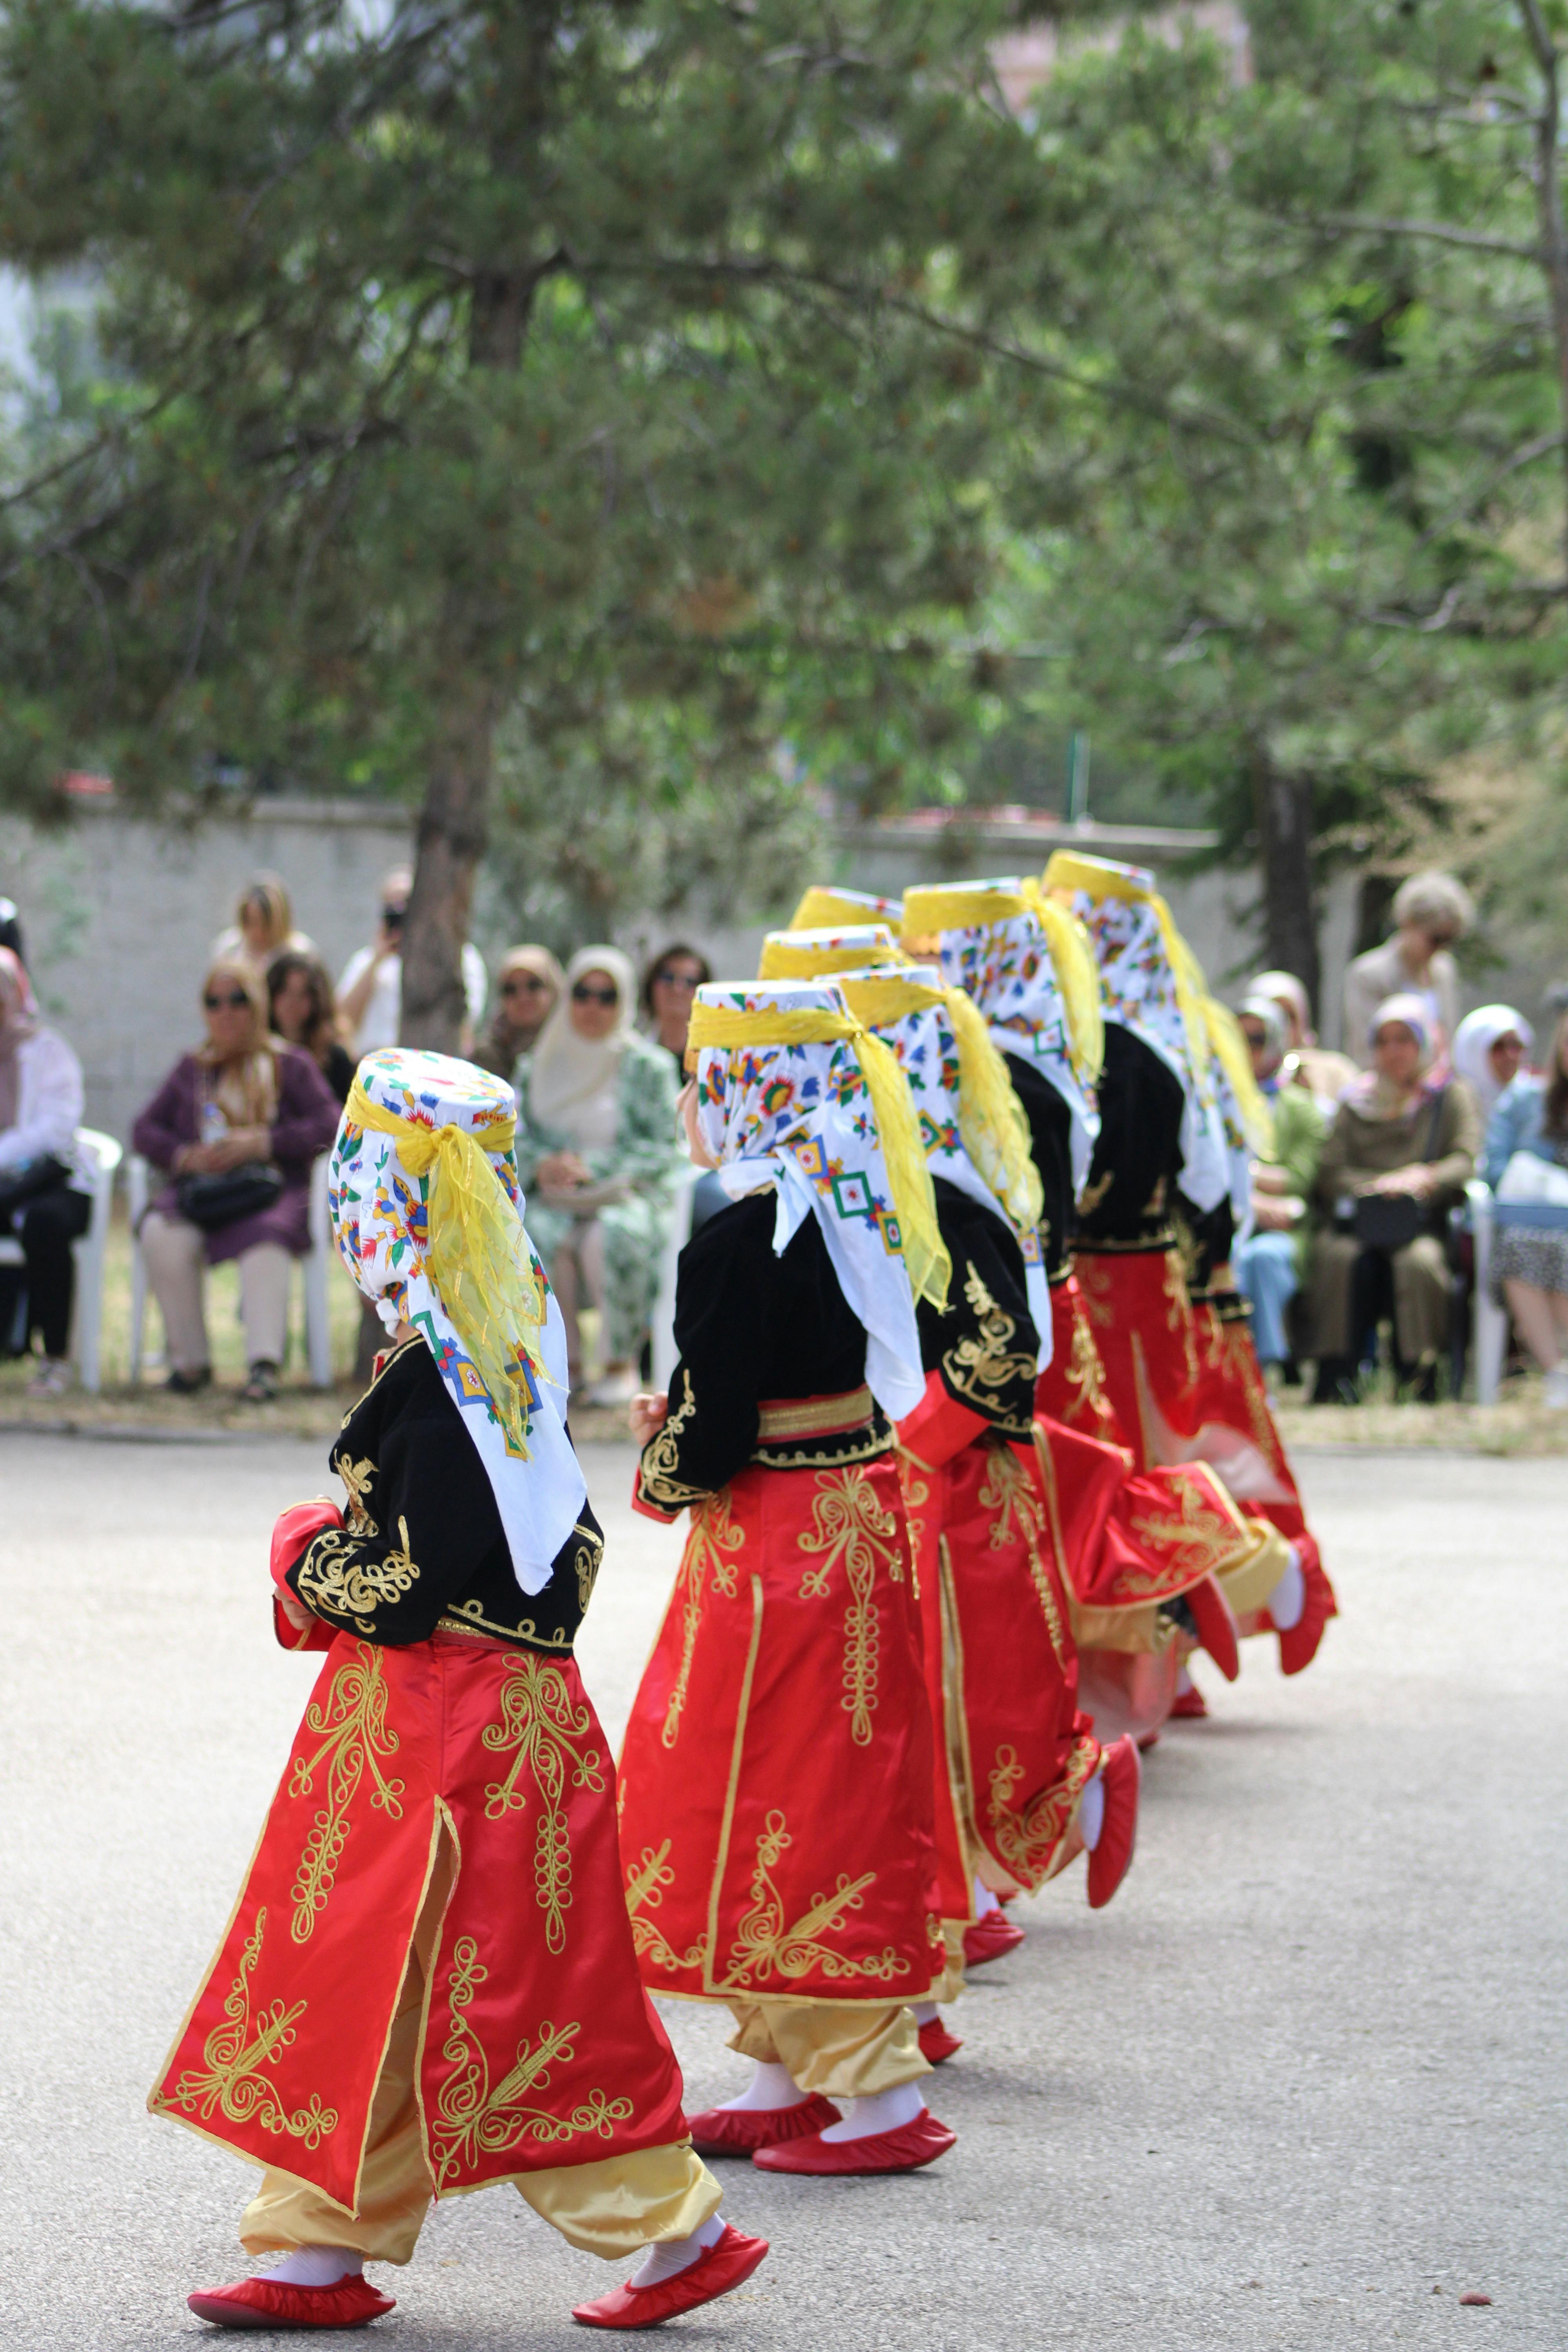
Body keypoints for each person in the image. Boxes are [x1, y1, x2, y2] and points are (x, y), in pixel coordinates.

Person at [152, 1047, 766, 2333]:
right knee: (394, 1990)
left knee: (510, 2002)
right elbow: (575, 1554)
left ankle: (673, 2227)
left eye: (356, 1188)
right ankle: (319, 2245)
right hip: (495, 1725)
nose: (341, 1215)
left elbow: (410, 1588)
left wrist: (302, 1553)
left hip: (445, 1740)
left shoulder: (440, 1380)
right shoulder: (501, 1356)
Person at [616, 979, 959, 2179]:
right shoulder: (861, 1206)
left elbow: (713, 1427)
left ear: (743, 1089)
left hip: (773, 1541)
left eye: (708, 1077)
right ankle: (781, 2068)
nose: (696, 1100)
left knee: (773, 1788)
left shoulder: (735, 1230)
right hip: (858, 1509)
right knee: (833, 1779)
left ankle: (871, 2095)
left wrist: (659, 1460)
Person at [829, 955, 1140, 2005]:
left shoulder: (955, 1203)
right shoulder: (891, 1194)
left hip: (959, 1481)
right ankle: (959, 1893)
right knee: (925, 1704)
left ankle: (1027, 1840)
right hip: (920, 1475)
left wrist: (911, 1441)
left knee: (965, 1700)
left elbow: (1006, 1352)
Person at [132, 959, 339, 1401]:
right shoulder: (193, 1067)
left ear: (258, 1005)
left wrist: (265, 1141)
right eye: (214, 1002)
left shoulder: (289, 1063)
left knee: (267, 1238)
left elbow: (330, 1122)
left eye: (238, 1000)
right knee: (160, 1232)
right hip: (205, 1193)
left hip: (270, 1190)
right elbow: (144, 1129)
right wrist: (185, 1155)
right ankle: (190, 1364)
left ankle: (262, 1367)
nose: (226, 1012)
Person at [514, 947, 682, 1405]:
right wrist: (543, 1165)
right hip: (554, 1198)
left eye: (607, 997)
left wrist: (594, 1167)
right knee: (539, 1235)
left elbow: (666, 1146)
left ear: (624, 1001)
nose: (593, 1007)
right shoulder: (538, 1064)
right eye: (583, 994)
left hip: (626, 1195)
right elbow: (514, 1135)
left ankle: (617, 1364)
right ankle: (562, 1365)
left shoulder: (649, 1067)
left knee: (608, 1237)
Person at [1309, 994, 1482, 1404]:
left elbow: (1465, 1159)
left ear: (1424, 1044)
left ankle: (1419, 1378)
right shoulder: (1356, 1102)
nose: (1393, 1052)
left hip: (1418, 1225)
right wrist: (1375, 1185)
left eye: (1404, 1040)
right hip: (1358, 1222)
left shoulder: (1448, 1096)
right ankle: (1336, 1378)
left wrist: (1423, 1178)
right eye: (1383, 1041)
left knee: (1418, 1266)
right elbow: (1330, 1169)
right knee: (1337, 1261)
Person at [0, 947, 93, 1397]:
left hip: (54, 1182)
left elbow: (56, 1130)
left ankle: (56, 1356)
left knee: (45, 1225)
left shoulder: (48, 1050)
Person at [1230, 994, 1327, 1376]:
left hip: (1287, 1228)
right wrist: (1252, 1195)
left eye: (1256, 1039)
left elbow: (1300, 1179)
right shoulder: (1219, 1100)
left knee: (1261, 1259)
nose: (1246, 1050)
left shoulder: (1301, 1107)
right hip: (1238, 1216)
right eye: (1237, 1039)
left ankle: (1264, 1365)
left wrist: (1241, 1175)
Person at [1481, 1008, 1568, 1404]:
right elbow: (1493, 1168)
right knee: (1521, 1247)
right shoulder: (1524, 1100)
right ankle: (1556, 1373)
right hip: (1529, 1225)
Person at [336, 866, 488, 1056]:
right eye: (393, 910)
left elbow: (464, 1023)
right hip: (376, 1067)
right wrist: (378, 960)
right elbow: (342, 1021)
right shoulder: (365, 961)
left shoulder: (461, 957)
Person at [1342, 872, 1474, 1068]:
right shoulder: (1370, 975)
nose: (1441, 949)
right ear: (1408, 924)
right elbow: (1366, 1049)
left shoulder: (1444, 970)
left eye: (1449, 940)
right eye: (1436, 939)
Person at [1247, 968, 1357, 1108]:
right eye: (1274, 1019)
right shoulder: (1235, 1074)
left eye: (1289, 1016)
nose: (1284, 1027)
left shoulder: (1335, 1069)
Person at [267, 949, 357, 1105]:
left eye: (303, 995)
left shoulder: (334, 1060)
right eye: (285, 992)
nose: (292, 1003)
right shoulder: (255, 1057)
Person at [474, 944, 563, 1078]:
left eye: (533, 985)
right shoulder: (486, 1060)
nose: (523, 997)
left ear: (553, 990)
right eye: (511, 989)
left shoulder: (574, 1050)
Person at [213, 875, 314, 974]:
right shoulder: (230, 950)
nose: (258, 932)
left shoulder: (300, 954)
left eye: (266, 924)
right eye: (251, 922)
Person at [1454, 1004, 1533, 1127]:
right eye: (1498, 1047)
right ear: (1474, 1054)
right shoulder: (1455, 1108)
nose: (1510, 1055)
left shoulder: (1536, 1102)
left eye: (1516, 1045)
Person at [641, 942, 711, 1080]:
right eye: (668, 978)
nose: (678, 989)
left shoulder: (714, 1062)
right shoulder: (635, 1057)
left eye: (690, 982)